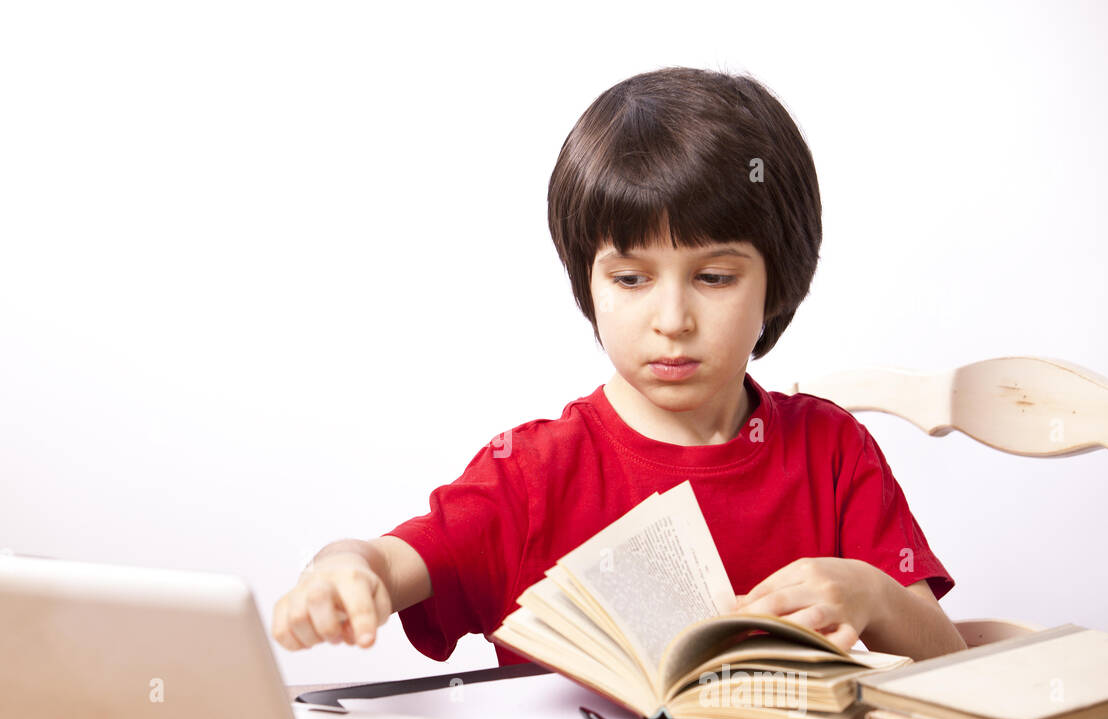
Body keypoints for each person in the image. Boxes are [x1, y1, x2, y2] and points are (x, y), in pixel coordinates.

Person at [272, 66, 966, 664]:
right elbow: (391, 562)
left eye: (715, 277)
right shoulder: (535, 472)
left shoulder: (832, 452)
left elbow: (947, 660)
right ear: (589, 285)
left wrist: (874, 596)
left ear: (777, 284)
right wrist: (343, 569)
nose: (672, 320)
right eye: (631, 280)